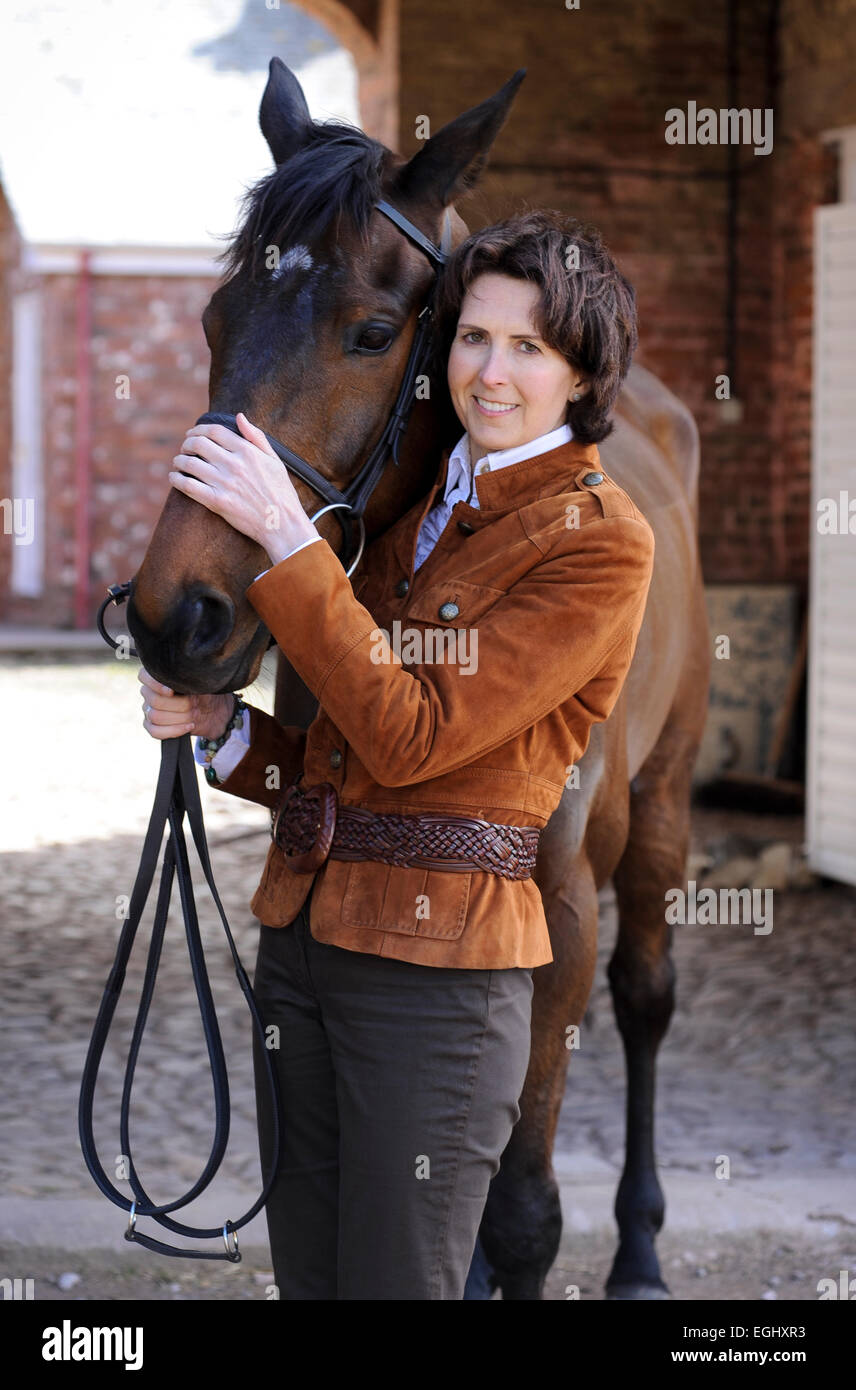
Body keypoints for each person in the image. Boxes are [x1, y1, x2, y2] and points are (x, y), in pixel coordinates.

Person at [138, 208, 655, 1300]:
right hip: (305, 954)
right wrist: (226, 734)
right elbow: (340, 763)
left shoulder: (600, 540)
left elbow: (412, 736)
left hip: (440, 984)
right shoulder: (401, 516)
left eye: (530, 346)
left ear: (583, 371)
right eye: (473, 337)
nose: (492, 370)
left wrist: (286, 539)